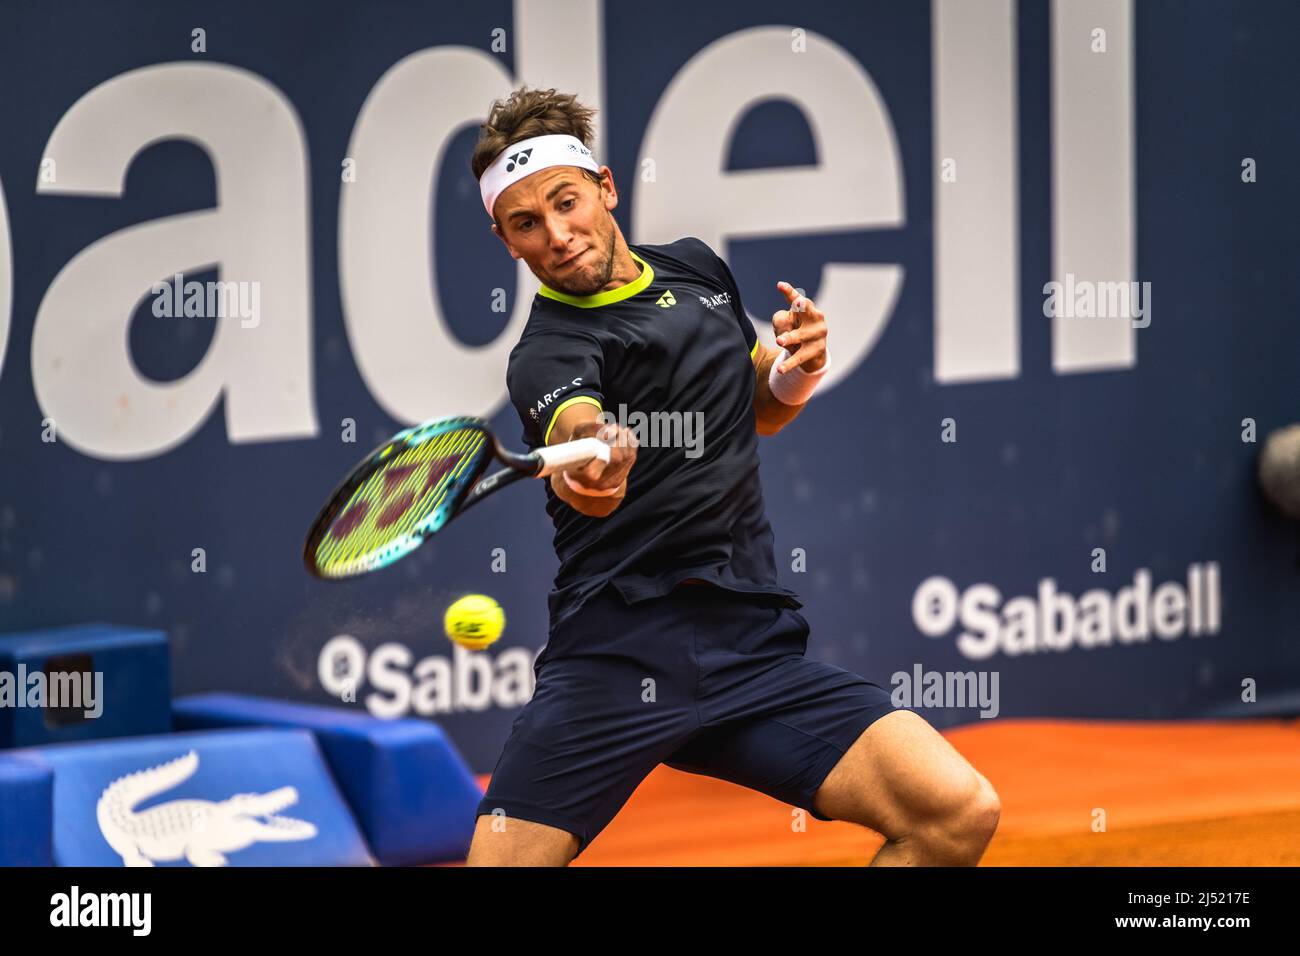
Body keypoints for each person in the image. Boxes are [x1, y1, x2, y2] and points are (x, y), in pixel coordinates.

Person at [465, 86, 999, 866]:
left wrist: (792, 368)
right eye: (526, 224)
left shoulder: (697, 268)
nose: (557, 234)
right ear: (506, 241)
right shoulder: (547, 353)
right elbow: (580, 451)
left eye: (566, 202)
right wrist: (595, 460)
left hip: (750, 645)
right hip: (618, 652)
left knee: (956, 812)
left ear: (605, 188)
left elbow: (755, 406)